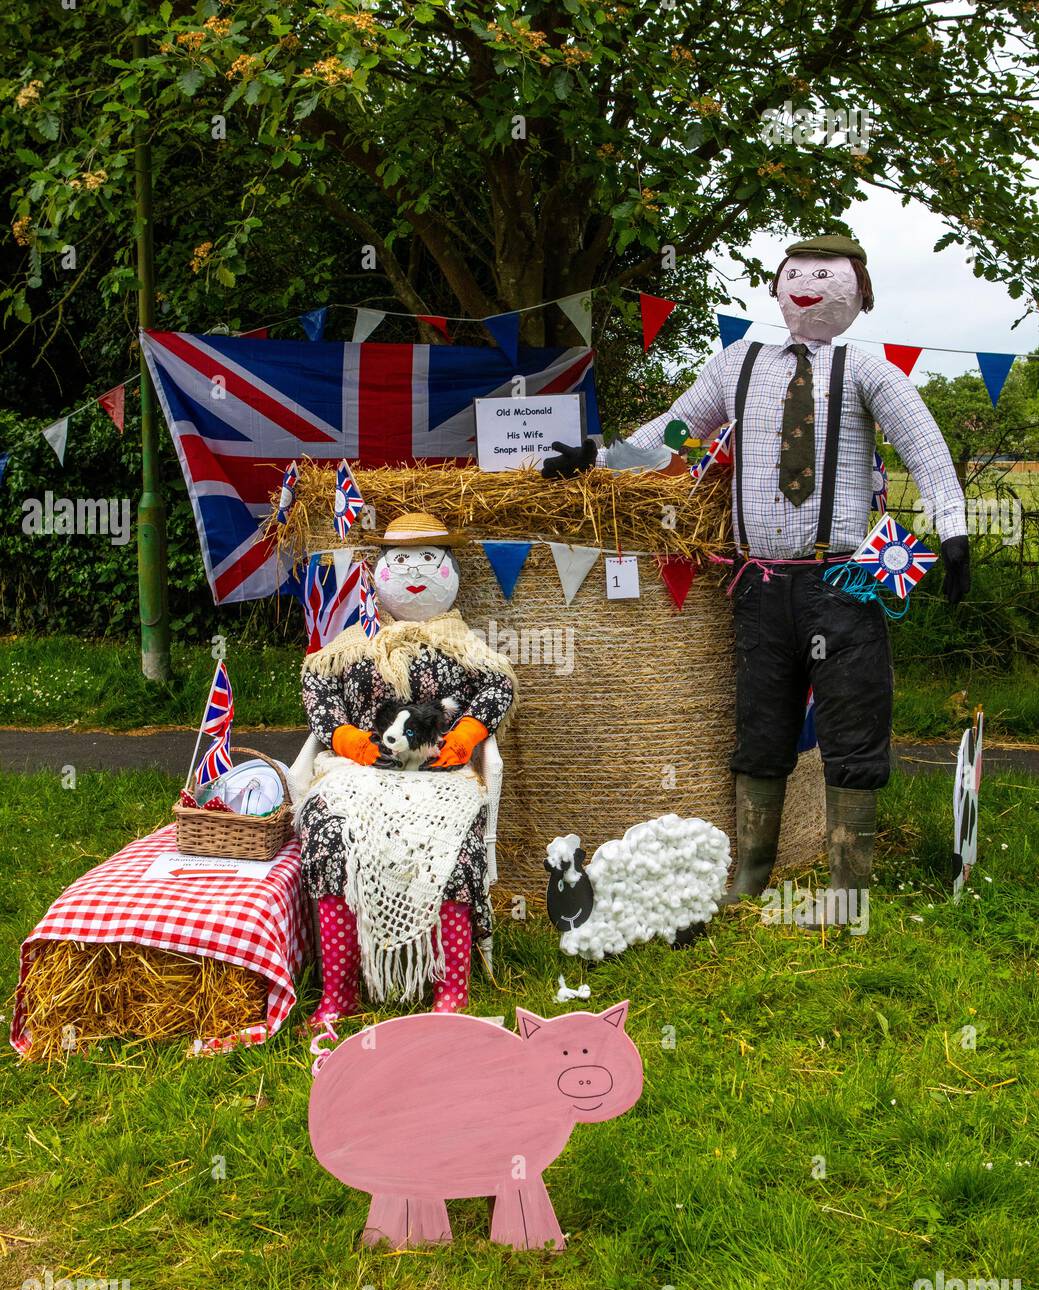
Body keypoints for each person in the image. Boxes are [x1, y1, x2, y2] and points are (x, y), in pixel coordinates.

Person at [544, 236, 970, 921]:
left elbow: (924, 445)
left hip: (846, 581)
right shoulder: (736, 366)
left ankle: (847, 884)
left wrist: (952, 530)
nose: (807, 286)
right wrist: (596, 454)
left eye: (825, 278)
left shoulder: (869, 373)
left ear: (859, 296)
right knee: (761, 720)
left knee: (853, 720)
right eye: (795, 275)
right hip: (759, 582)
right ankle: (750, 877)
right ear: (776, 289)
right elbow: (675, 434)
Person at [296, 513, 516, 1022]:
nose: (415, 572)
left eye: (428, 560)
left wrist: (466, 735)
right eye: (402, 561)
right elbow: (317, 687)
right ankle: (340, 989)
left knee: (456, 842)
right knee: (330, 832)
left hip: (442, 776)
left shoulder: (465, 648)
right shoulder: (355, 644)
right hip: (358, 774)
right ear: (381, 571)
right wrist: (344, 736)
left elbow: (498, 686)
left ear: (449, 570)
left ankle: (449, 987)